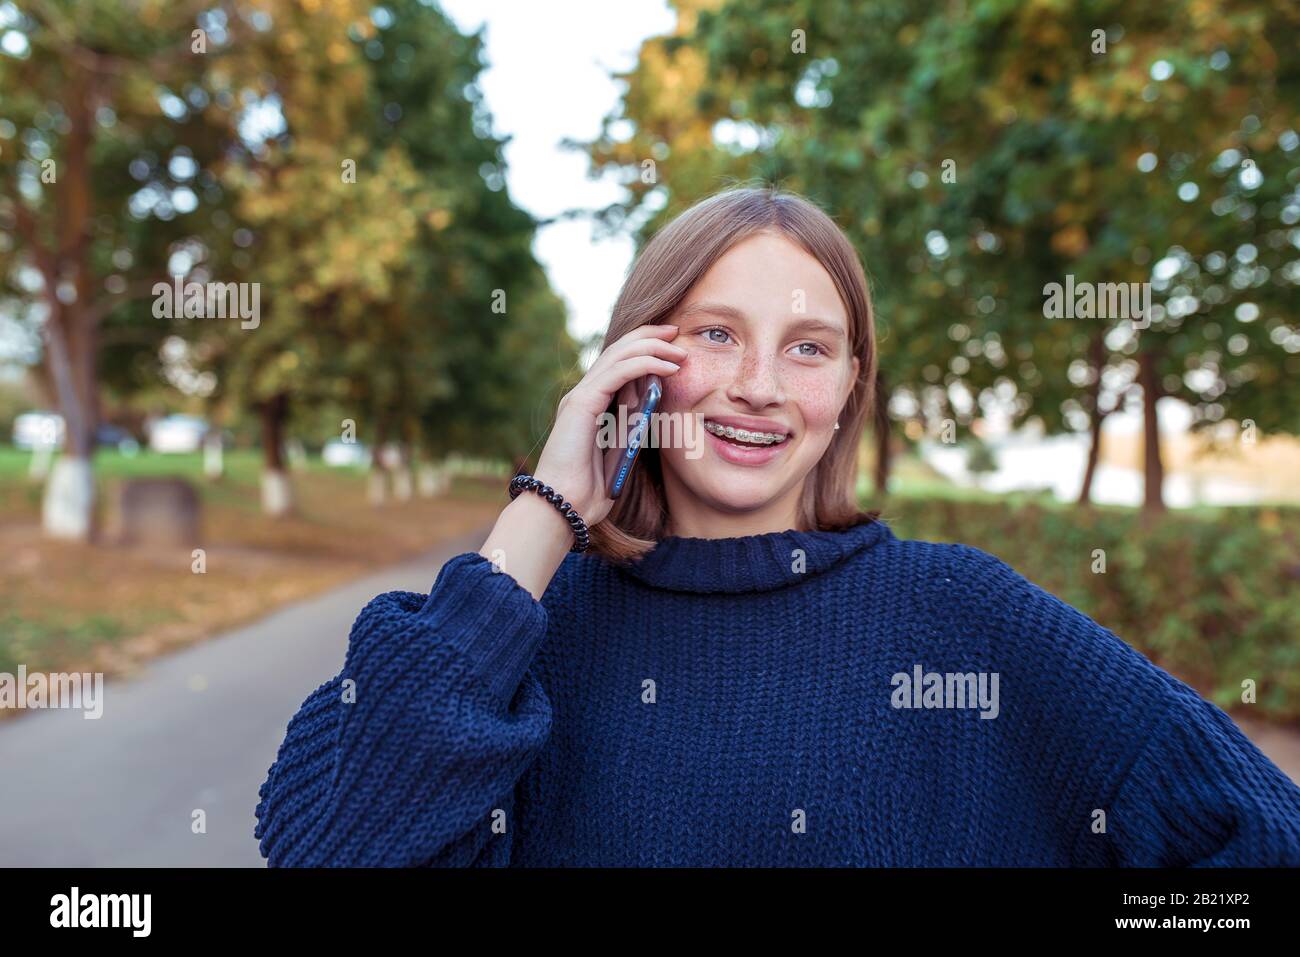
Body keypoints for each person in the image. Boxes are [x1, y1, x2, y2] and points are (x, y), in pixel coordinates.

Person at [254, 185, 1300, 867]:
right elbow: (334, 850)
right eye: (716, 334)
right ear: (634, 362)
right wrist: (544, 513)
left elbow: (1256, 835)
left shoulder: (963, 618)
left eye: (808, 348)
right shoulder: (522, 632)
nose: (758, 387)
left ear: (849, 390)